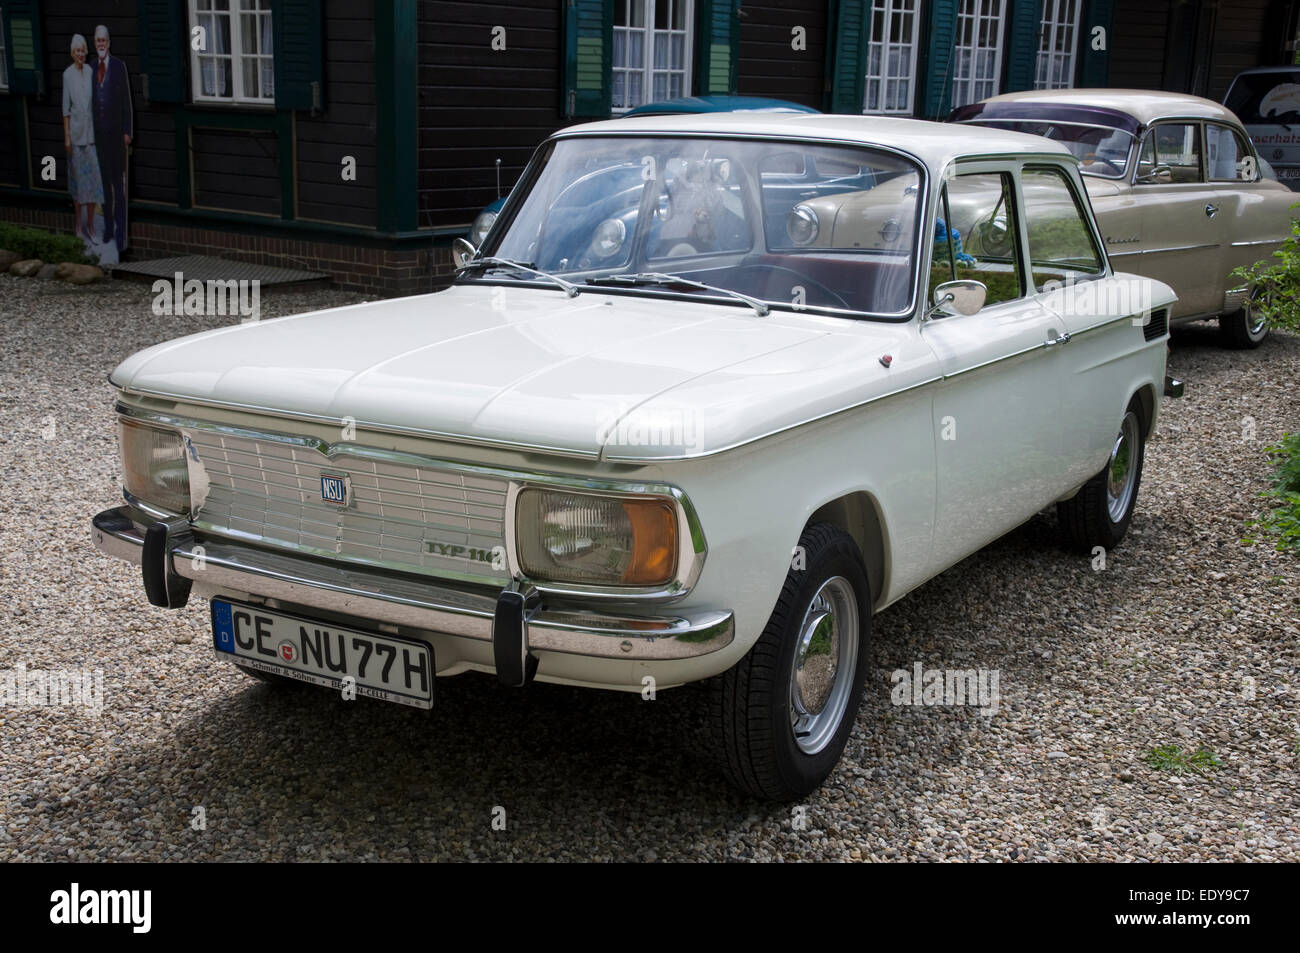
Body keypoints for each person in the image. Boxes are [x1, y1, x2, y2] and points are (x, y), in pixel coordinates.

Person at [91, 24, 132, 254]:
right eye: (98, 41)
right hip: (99, 136)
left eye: (103, 41)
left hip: (116, 135)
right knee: (103, 186)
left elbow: (125, 100)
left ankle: (120, 231)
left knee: (118, 184)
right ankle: (107, 228)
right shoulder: (90, 67)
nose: (101, 45)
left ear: (109, 43)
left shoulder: (118, 67)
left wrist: (127, 130)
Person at [62, 34, 104, 242]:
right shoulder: (67, 75)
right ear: (72, 53)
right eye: (77, 51)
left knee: (93, 183)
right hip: (77, 136)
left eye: (82, 51)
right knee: (79, 184)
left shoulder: (90, 72)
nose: (80, 54)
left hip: (92, 135)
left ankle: (91, 226)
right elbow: (65, 110)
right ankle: (78, 224)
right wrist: (67, 138)